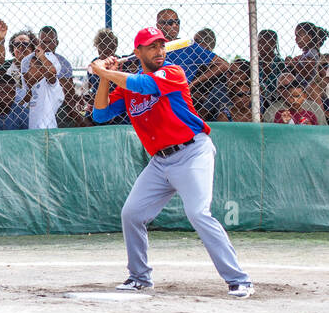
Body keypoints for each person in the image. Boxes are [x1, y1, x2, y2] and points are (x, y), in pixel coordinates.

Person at [88, 27, 253, 298]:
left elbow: (143, 85)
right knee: (132, 214)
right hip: (160, 162)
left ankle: (239, 278)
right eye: (152, 47)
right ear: (138, 52)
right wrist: (105, 77)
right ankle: (139, 277)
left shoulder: (172, 73)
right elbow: (100, 114)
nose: (160, 52)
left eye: (161, 46)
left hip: (192, 152)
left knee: (198, 213)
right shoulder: (128, 84)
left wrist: (102, 71)